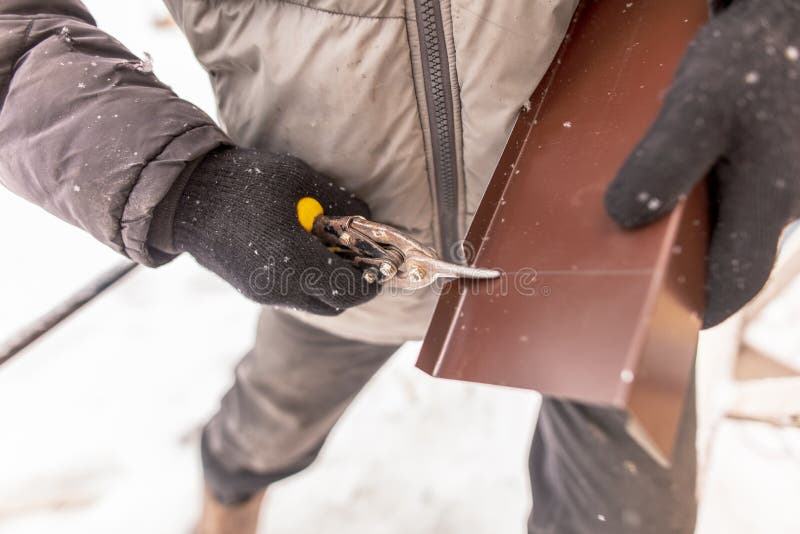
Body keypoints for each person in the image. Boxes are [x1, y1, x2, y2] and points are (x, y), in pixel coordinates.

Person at [1, 0, 798, 532]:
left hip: (606, 245)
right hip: (330, 264)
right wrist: (186, 185)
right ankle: (227, 500)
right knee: (265, 427)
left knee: (633, 515)